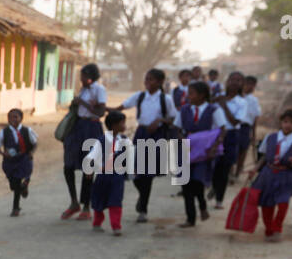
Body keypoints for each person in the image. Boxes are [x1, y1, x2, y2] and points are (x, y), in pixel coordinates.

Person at [116, 68, 178, 223]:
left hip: (157, 136)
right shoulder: (140, 96)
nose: (147, 82)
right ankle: (142, 196)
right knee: (134, 171)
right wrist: (102, 109)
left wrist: (159, 121)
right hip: (141, 133)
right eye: (146, 79)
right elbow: (121, 107)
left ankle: (143, 209)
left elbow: (174, 119)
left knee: (148, 174)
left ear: (159, 82)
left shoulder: (166, 99)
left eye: (150, 79)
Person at [173, 81, 224, 227]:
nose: (188, 96)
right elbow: (177, 128)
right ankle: (190, 218)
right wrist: (181, 139)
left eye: (191, 93)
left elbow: (223, 129)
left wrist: (215, 147)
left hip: (204, 151)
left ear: (201, 95)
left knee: (197, 181)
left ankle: (202, 205)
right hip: (187, 148)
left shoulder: (214, 109)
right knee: (185, 183)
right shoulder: (184, 110)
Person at [253, 110, 292, 242]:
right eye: (285, 122)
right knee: (267, 202)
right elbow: (264, 156)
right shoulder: (270, 137)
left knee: (283, 202)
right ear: (281, 122)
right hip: (268, 173)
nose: (288, 125)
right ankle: (268, 228)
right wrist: (255, 169)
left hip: (286, 174)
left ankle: (277, 227)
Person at [62, 63, 107, 220]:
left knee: (88, 167)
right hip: (78, 127)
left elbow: (101, 112)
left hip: (92, 127)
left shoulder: (99, 89)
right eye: (81, 75)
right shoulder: (83, 89)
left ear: (91, 76)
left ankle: (86, 207)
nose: (81, 78)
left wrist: (83, 103)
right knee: (68, 165)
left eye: (84, 75)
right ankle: (74, 202)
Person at [85, 110, 130, 235]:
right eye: (122, 123)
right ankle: (97, 222)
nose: (124, 125)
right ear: (114, 125)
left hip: (117, 176)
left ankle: (116, 226)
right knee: (99, 199)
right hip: (103, 175)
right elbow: (92, 155)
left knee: (116, 200)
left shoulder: (124, 140)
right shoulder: (102, 140)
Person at [210, 72, 245, 208]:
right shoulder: (218, 97)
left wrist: (224, 105)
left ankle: (219, 200)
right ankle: (215, 186)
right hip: (215, 134)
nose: (235, 82)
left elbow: (235, 121)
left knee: (224, 168)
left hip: (231, 135)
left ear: (242, 84)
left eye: (238, 80)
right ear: (227, 81)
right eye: (232, 79)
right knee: (213, 166)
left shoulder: (242, 102)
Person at [0, 107, 36, 216]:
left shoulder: (27, 131)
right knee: (13, 184)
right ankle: (23, 187)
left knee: (18, 181)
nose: (13, 119)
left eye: (16, 117)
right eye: (10, 117)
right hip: (10, 162)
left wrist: (31, 152)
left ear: (21, 118)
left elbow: (34, 143)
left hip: (24, 159)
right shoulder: (4, 132)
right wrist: (3, 154)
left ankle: (15, 208)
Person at [236, 76, 262, 180]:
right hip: (235, 126)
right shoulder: (236, 98)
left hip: (245, 127)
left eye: (253, 85)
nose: (250, 87)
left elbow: (255, 117)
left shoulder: (254, 100)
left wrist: (254, 134)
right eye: (248, 84)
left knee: (243, 150)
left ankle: (237, 172)